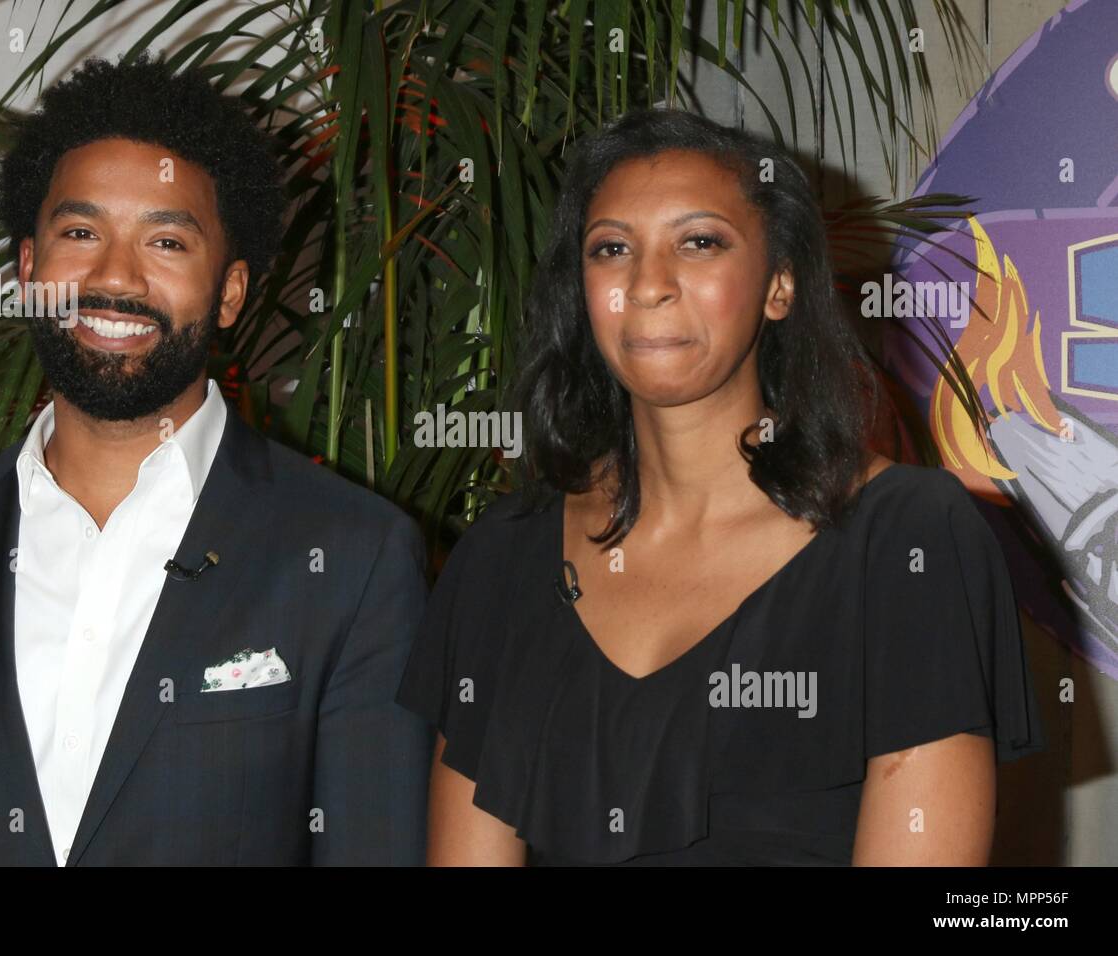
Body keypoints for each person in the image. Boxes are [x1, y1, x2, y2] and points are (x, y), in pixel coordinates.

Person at [0, 51, 432, 866]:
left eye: (168, 241)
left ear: (231, 290)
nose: (114, 277)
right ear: (29, 267)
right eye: (80, 232)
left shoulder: (355, 558)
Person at [395, 106, 1047, 866]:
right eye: (612, 249)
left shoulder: (906, 538)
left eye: (699, 242)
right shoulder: (501, 560)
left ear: (779, 285)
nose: (648, 284)